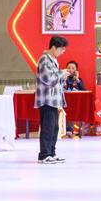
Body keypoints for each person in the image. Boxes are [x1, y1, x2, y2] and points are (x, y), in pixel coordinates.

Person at [36, 35, 68, 164]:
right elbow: (48, 79)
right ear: (54, 47)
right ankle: (44, 155)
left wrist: (62, 75)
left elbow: (54, 79)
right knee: (48, 128)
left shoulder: (53, 60)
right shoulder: (44, 59)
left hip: (54, 100)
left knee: (54, 128)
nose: (63, 51)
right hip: (47, 99)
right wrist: (61, 73)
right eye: (61, 49)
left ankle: (51, 153)